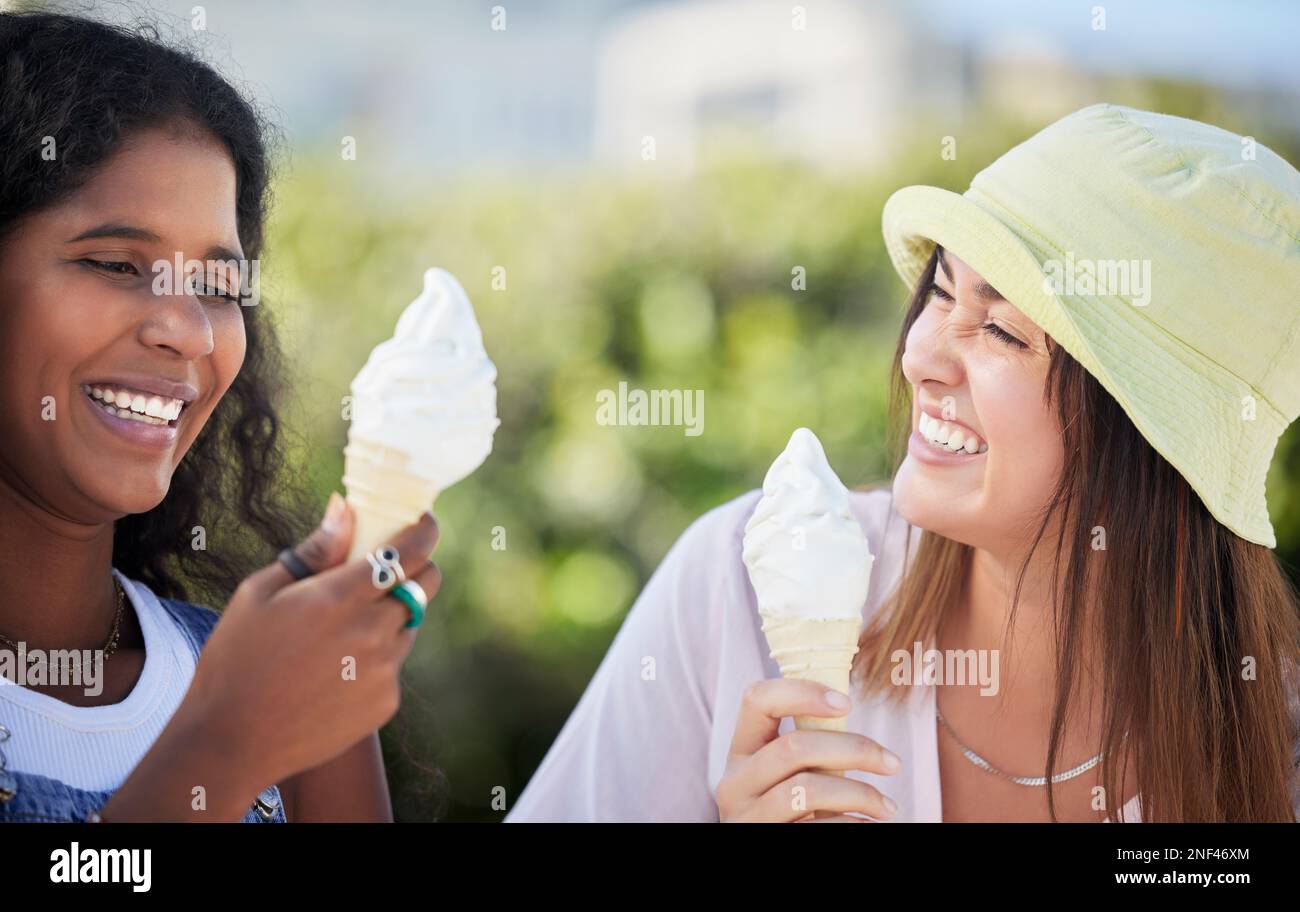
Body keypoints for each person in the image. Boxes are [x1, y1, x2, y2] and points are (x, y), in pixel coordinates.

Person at [506, 104, 1300, 823]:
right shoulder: (742, 584)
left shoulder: (1278, 752)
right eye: (941, 292)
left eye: (1003, 331)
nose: (921, 355)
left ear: (1158, 439)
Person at [0, 11, 441, 823]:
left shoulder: (269, 682)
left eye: (217, 287)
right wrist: (230, 742)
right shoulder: (250, 705)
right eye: (116, 264)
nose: (191, 331)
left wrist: (306, 704)